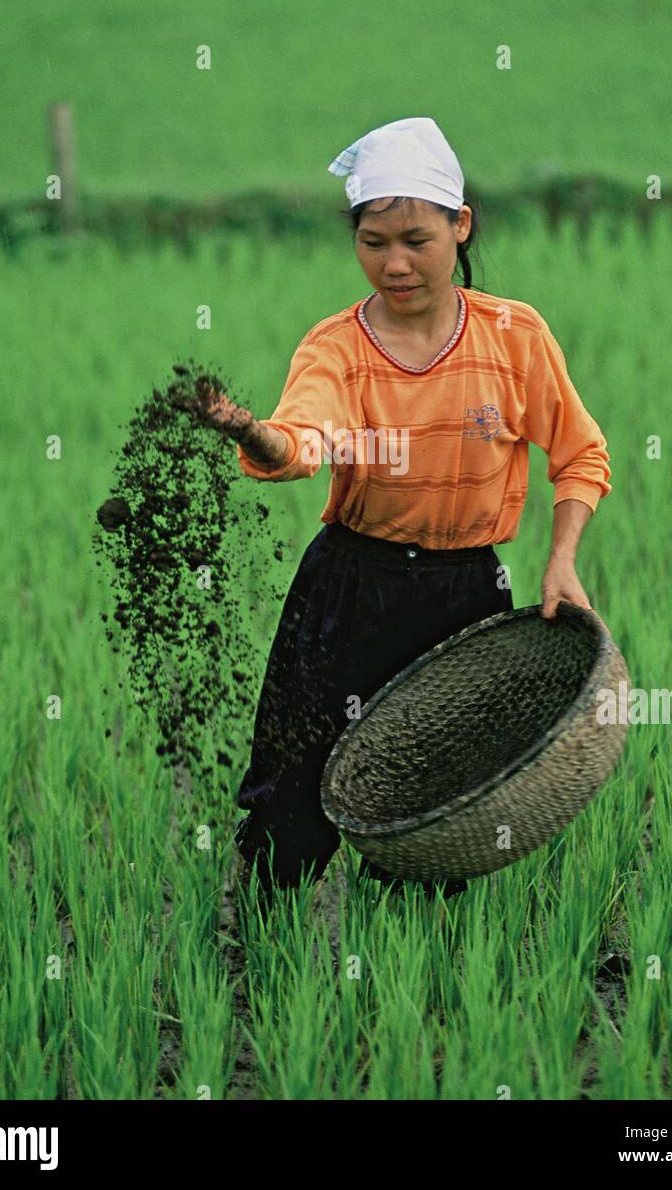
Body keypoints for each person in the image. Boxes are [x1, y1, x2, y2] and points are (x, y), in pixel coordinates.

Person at [196, 116, 612, 906]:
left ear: (461, 225)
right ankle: (259, 962)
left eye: (416, 240)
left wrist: (562, 560)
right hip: (350, 590)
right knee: (293, 799)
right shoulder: (337, 348)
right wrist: (254, 432)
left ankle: (415, 995)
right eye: (373, 241)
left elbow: (581, 455)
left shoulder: (515, 337)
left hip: (465, 604)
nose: (395, 264)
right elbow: (304, 439)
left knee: (436, 808)